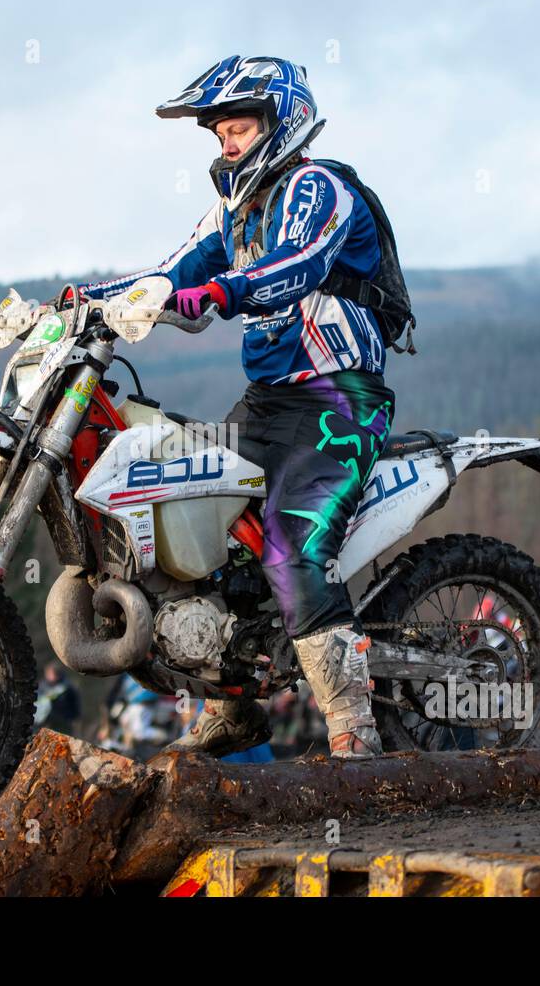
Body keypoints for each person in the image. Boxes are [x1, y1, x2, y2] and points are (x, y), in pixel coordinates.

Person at [77, 56, 410, 759]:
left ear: (279, 121)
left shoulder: (318, 187)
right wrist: (89, 298)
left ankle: (354, 724)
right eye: (220, 132)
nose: (228, 143)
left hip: (338, 400)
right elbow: (173, 271)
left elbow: (297, 265)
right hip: (266, 404)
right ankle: (235, 706)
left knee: (292, 546)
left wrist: (221, 294)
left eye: (239, 127)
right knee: (201, 535)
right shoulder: (235, 208)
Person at [36, 662, 82, 736]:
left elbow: (75, 704)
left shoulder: (67, 687)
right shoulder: (42, 686)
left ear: (57, 674)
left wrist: (75, 717)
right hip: (45, 722)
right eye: (47, 673)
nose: (48, 675)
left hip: (63, 721)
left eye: (51, 673)